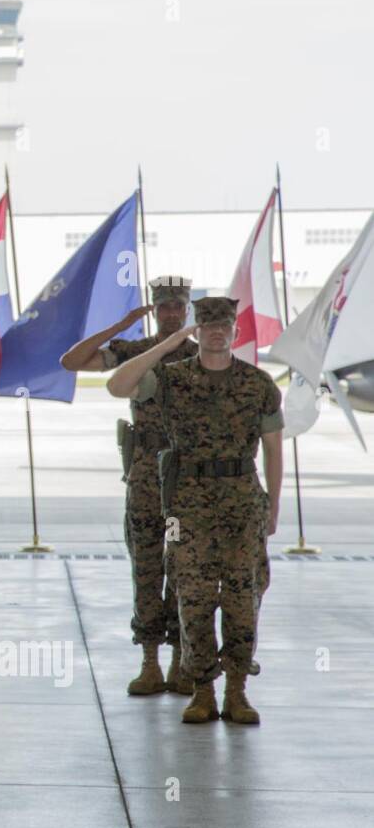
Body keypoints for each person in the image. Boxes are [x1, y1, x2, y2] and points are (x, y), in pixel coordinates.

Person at [106, 296, 283, 725]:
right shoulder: (171, 380)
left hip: (242, 502)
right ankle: (202, 690)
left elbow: (275, 452)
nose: (217, 332)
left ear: (235, 332)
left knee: (243, 601)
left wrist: (273, 508)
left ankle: (237, 691)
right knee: (194, 601)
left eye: (224, 325)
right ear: (197, 330)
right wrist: (167, 345)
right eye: (207, 325)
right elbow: (118, 384)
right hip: (187, 506)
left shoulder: (258, 385)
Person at [61, 276, 199, 695]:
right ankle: (149, 661)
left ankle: (181, 659)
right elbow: (73, 361)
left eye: (178, 306)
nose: (171, 313)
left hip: (187, 477)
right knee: (146, 564)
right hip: (145, 474)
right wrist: (120, 325)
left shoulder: (201, 356)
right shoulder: (136, 352)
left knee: (183, 566)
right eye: (164, 307)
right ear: (154, 310)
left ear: (187, 308)